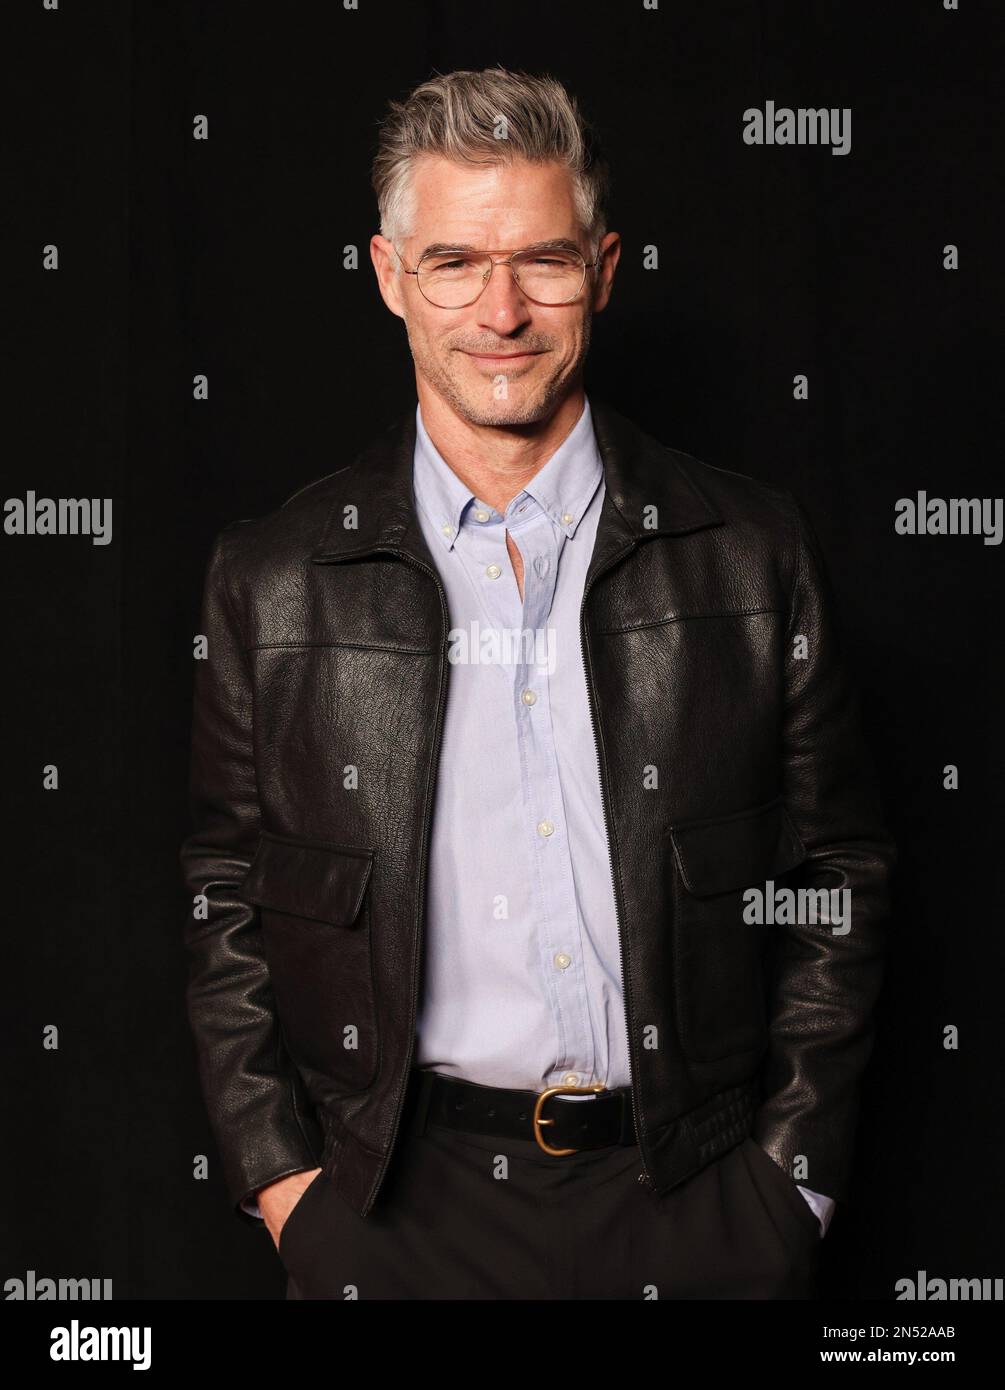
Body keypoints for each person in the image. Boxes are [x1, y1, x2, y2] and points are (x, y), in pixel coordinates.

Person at [179, 66, 896, 1299]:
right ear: (392, 276)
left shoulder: (753, 550)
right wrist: (287, 1188)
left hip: (695, 1200)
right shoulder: (273, 577)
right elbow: (226, 893)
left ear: (606, 270)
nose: (499, 311)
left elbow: (838, 874)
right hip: (390, 1212)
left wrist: (792, 1184)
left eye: (544, 263)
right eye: (455, 261)